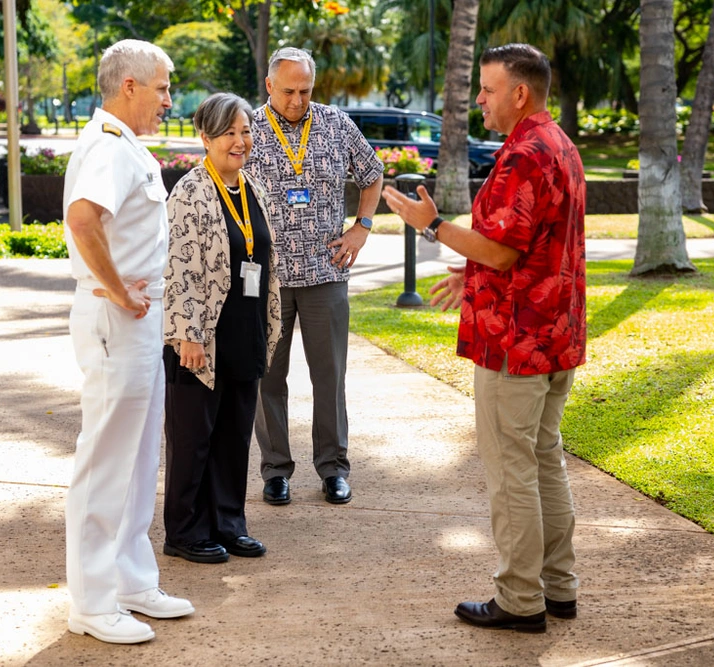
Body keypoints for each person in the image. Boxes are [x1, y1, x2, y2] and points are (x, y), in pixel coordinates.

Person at [382, 43, 586, 633]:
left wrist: (435, 227)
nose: (480, 99)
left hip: (516, 344)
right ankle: (559, 587)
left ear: (519, 93)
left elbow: (501, 247)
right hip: (553, 334)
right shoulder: (560, 145)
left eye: (489, 89)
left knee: (512, 470)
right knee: (544, 459)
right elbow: (530, 246)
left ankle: (521, 600)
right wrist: (470, 270)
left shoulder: (524, 154)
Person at [62, 39, 194, 644]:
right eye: (163, 87)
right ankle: (91, 602)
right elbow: (82, 219)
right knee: (107, 460)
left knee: (140, 457)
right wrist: (116, 290)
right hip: (120, 321)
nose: (170, 99)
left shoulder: (125, 145)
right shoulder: (109, 148)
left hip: (140, 321)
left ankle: (131, 579)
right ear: (131, 86)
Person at [245, 47, 384, 506]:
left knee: (330, 377)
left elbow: (372, 173)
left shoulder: (336, 123)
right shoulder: (246, 128)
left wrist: (361, 227)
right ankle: (276, 470)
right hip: (267, 277)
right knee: (268, 378)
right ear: (269, 86)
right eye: (288, 91)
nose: (297, 100)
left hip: (326, 272)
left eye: (305, 90)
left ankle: (333, 469)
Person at [162, 93, 282, 565]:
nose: (241, 141)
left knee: (234, 436)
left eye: (246, 130)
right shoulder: (189, 192)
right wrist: (187, 334)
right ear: (206, 137)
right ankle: (186, 531)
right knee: (194, 438)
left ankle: (229, 524)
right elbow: (178, 268)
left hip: (245, 327)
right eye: (230, 132)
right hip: (201, 334)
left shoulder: (253, 187)